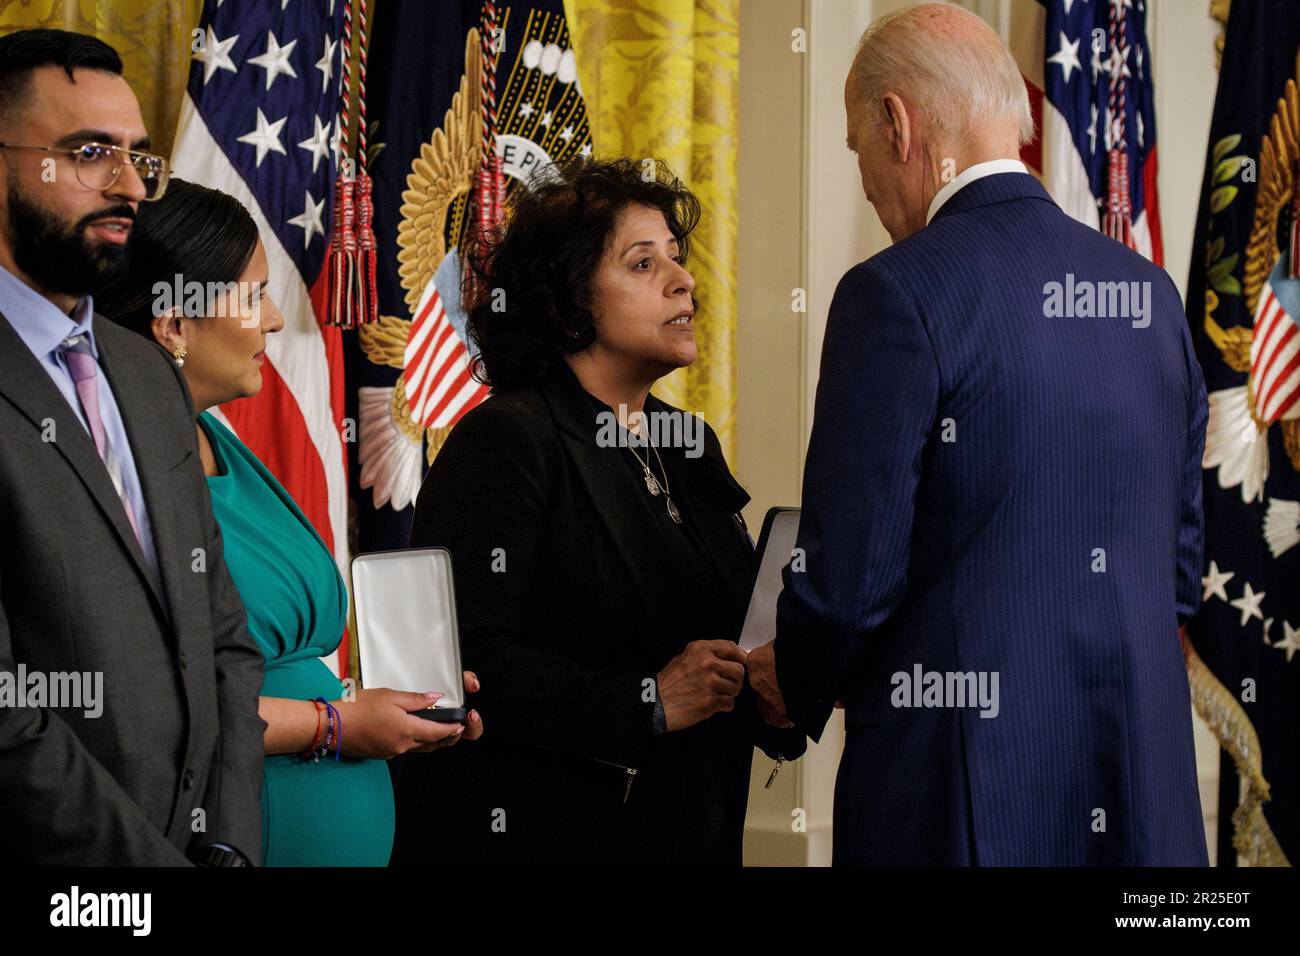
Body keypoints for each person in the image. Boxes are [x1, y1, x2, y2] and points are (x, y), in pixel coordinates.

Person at [747, 3, 1209, 866]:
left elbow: (847, 585)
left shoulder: (894, 294)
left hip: (963, 805)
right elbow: (1177, 579)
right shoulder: (1150, 297)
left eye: (857, 151)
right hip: (1141, 801)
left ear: (898, 123)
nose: (869, 183)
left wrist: (791, 684)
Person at [390, 156, 804, 866]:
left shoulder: (688, 442)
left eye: (677, 258)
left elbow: (718, 640)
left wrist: (771, 683)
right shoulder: (509, 439)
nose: (684, 281)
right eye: (644, 265)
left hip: (693, 830)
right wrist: (645, 700)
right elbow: (458, 667)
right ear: (568, 296)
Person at [96, 178, 483, 866]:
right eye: (252, 295)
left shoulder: (221, 438)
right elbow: (144, 699)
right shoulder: (112, 472)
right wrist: (337, 726)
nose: (276, 319)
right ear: (174, 324)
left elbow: (284, 668)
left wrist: (385, 704)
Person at [0, 28, 263, 865]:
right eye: (88, 154)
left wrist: (228, 845)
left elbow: (224, 643)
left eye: (139, 160)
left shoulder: (149, 375)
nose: (128, 188)